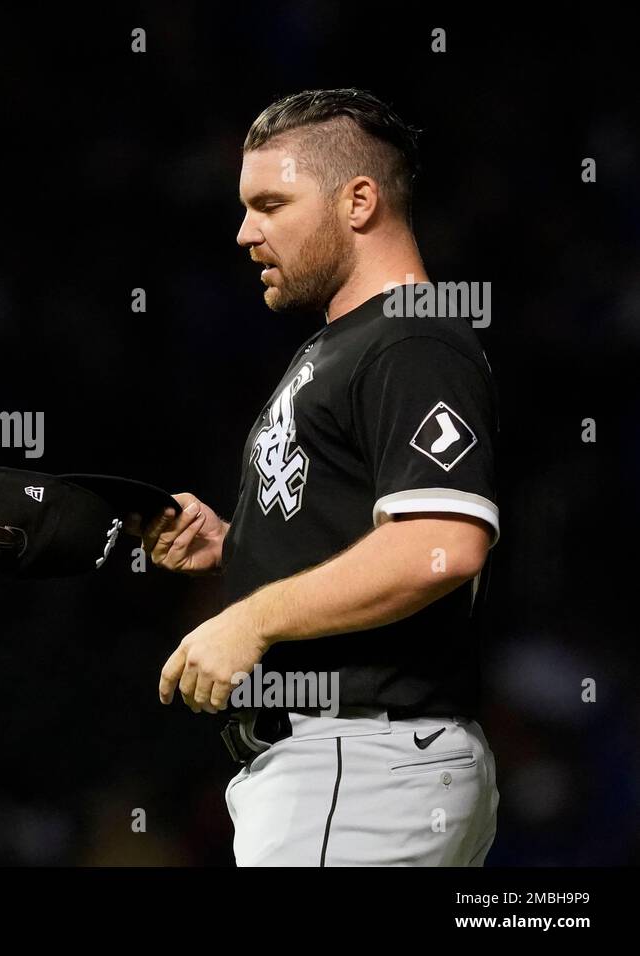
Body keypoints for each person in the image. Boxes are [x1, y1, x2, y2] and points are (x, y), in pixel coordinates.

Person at [142, 89, 499, 866]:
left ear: (359, 200)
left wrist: (252, 618)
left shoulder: (410, 337)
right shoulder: (346, 344)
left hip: (358, 759)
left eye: (271, 203)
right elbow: (365, 535)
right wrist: (244, 549)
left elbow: (442, 542)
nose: (245, 231)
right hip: (350, 766)